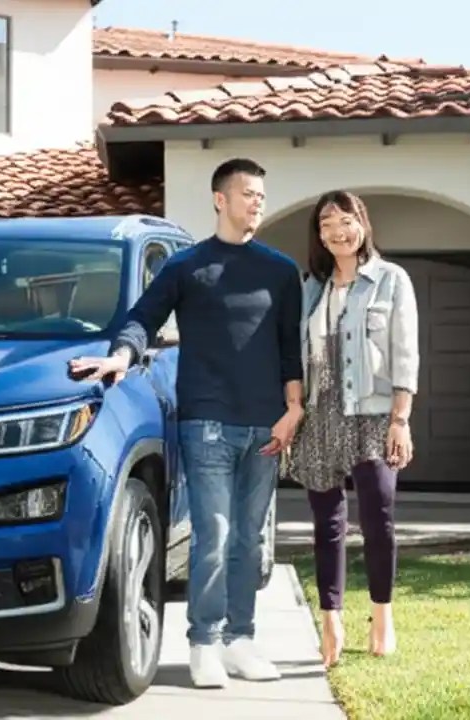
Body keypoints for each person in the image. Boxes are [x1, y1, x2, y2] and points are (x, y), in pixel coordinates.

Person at [68, 158, 305, 689]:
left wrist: (293, 409)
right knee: (214, 537)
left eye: (262, 194)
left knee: (250, 541)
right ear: (220, 198)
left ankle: (240, 641)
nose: (257, 202)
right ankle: (203, 643)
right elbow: (141, 319)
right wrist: (120, 359)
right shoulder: (187, 267)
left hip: (266, 428)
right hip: (207, 425)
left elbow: (291, 348)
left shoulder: (281, 271)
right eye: (248, 193)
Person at [287, 190, 419, 667]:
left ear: (362, 224)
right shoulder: (310, 287)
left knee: (378, 517)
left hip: (374, 412)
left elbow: (406, 353)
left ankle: (381, 615)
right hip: (321, 415)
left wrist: (400, 419)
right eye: (326, 224)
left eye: (345, 221)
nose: (336, 232)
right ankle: (331, 621)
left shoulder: (390, 280)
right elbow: (295, 356)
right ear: (318, 235)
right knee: (327, 525)